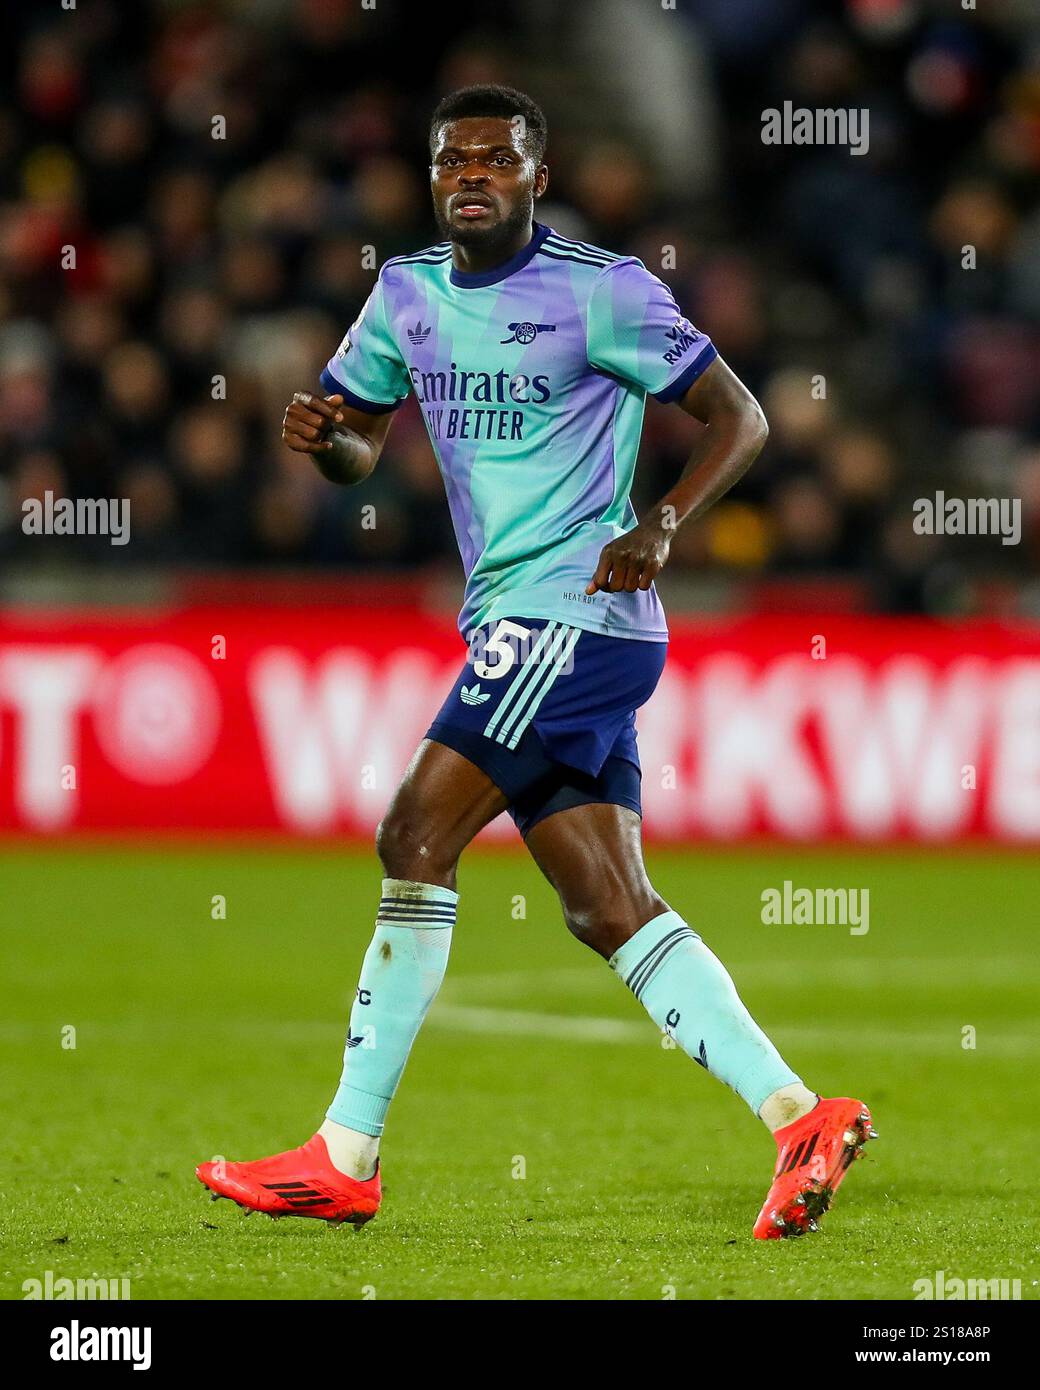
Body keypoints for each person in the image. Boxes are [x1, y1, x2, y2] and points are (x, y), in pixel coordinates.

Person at [196, 85, 874, 1239]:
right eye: (450, 158)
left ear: (534, 178)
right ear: (429, 178)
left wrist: (662, 522)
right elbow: (361, 446)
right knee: (604, 904)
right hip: (517, 620)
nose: (471, 174)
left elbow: (741, 417)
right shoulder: (403, 294)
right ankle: (800, 1116)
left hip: (575, 616)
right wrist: (333, 444)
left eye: (495, 160)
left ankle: (345, 1151)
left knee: (413, 836)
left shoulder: (601, 290)